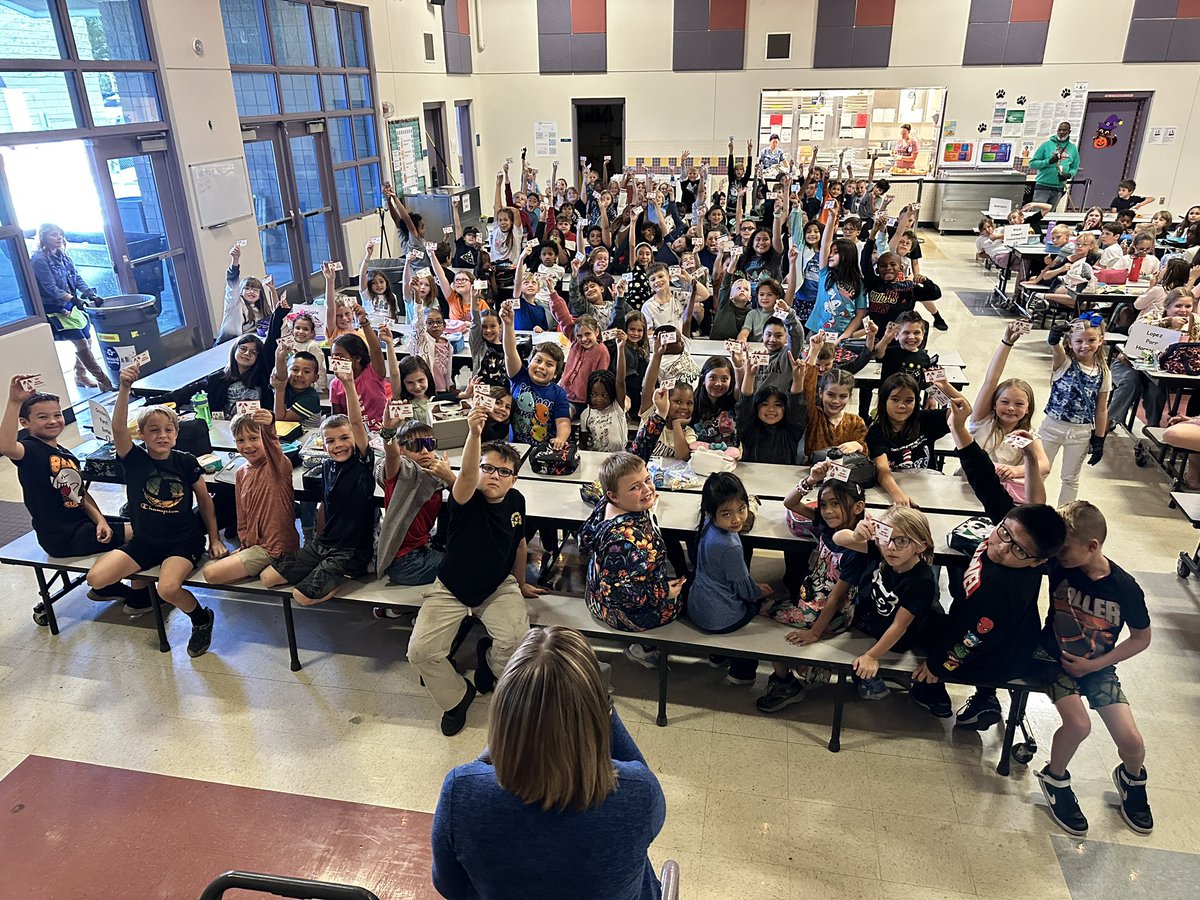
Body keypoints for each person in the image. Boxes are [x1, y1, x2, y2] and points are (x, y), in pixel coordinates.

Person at [431, 626, 665, 900]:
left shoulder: (460, 792)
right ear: (594, 713)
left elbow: (449, 886)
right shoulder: (639, 793)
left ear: (502, 713)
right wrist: (605, 709)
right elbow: (642, 783)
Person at [911, 397, 1063, 725]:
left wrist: (938, 666)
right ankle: (982, 697)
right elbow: (984, 477)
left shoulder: (1003, 587)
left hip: (993, 656)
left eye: (1018, 551)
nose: (1002, 547)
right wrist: (958, 428)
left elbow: (972, 638)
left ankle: (950, 691)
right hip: (997, 637)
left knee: (920, 623)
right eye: (1003, 532)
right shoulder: (1014, 527)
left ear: (1037, 563)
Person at [407, 406, 543, 736]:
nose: (494, 475)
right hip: (451, 587)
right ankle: (457, 697)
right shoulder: (466, 497)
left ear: (514, 479)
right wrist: (474, 433)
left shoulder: (516, 501)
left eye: (504, 472)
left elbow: (519, 544)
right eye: (488, 468)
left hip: (497, 585)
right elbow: (466, 477)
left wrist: (521, 583)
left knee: (516, 642)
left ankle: (489, 662)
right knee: (421, 652)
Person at [85, 362, 226, 657]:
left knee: (168, 588)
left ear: (176, 433)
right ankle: (139, 593)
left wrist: (214, 539)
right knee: (96, 579)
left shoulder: (185, 461)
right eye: (153, 430)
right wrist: (124, 387)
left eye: (168, 430)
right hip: (145, 541)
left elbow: (205, 501)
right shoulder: (134, 459)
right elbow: (118, 428)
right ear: (142, 435)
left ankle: (201, 619)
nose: (162, 435)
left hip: (182, 542)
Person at [1033, 501, 1153, 837]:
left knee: (1131, 741)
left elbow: (1141, 638)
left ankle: (1131, 779)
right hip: (1053, 660)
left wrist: (1096, 665)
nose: (1058, 555)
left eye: (1065, 549)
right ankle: (1055, 778)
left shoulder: (1125, 588)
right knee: (1079, 724)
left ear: (1092, 546)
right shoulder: (1060, 565)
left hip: (1098, 667)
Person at [0, 375, 146, 615]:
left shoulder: (62, 452)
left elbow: (81, 493)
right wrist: (14, 401)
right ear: (24, 422)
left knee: (141, 522)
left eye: (57, 415)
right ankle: (140, 597)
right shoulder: (30, 451)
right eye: (42, 417)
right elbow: (6, 446)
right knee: (143, 533)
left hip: (83, 525)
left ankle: (107, 586)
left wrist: (100, 520)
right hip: (63, 537)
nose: (53, 421)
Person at [258, 368, 375, 607]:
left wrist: (348, 384)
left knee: (301, 596)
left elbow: (355, 421)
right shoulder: (328, 466)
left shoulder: (361, 462)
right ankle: (325, 573)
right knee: (267, 578)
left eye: (345, 438)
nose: (338, 445)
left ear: (355, 438)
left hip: (351, 550)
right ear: (323, 445)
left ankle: (353, 574)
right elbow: (326, 506)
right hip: (324, 544)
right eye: (331, 441)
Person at [759, 473, 868, 711]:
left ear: (858, 507)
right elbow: (790, 503)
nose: (827, 511)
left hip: (827, 615)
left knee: (757, 611)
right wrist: (810, 480)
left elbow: (836, 597)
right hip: (813, 600)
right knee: (765, 603)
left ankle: (785, 681)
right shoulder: (829, 525)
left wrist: (815, 633)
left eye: (835, 504)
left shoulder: (856, 550)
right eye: (824, 504)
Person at [578, 442, 686, 663]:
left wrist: (661, 417)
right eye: (635, 488)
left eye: (647, 480)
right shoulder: (622, 542)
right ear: (614, 495)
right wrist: (663, 591)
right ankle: (644, 649)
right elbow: (618, 593)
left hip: (599, 588)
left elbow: (639, 452)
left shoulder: (608, 502)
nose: (647, 490)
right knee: (687, 600)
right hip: (618, 610)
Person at [838, 505, 939, 700]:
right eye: (886, 538)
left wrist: (872, 656)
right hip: (874, 620)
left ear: (920, 546)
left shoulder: (922, 581)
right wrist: (856, 536)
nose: (891, 547)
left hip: (896, 640)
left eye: (902, 541)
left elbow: (899, 627)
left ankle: (876, 680)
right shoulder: (884, 550)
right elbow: (838, 539)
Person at [687, 472, 771, 686]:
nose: (737, 519)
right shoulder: (729, 546)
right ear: (712, 512)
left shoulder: (707, 522)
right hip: (720, 618)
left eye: (741, 509)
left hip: (697, 606)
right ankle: (742, 672)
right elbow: (744, 588)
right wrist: (758, 591)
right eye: (727, 514)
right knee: (762, 608)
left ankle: (718, 656)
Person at [201, 409, 299, 587]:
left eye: (254, 438)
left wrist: (268, 427)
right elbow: (242, 514)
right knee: (212, 565)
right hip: (255, 546)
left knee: (210, 573)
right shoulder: (241, 472)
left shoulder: (278, 466)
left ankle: (275, 566)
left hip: (277, 548)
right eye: (240, 440)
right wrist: (245, 544)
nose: (247, 446)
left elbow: (273, 445)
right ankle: (264, 569)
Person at [967, 322, 1050, 502]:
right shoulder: (982, 421)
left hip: (1002, 496)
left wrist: (1015, 470)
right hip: (969, 488)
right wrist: (1007, 342)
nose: (1011, 408)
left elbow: (1044, 465)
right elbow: (991, 380)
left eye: (1019, 404)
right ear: (994, 404)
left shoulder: (1027, 435)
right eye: (1005, 402)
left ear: (1028, 409)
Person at [29, 223, 113, 390]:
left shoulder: (63, 255)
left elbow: (76, 277)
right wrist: (73, 299)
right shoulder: (39, 260)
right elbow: (50, 288)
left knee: (88, 339)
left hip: (70, 304)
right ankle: (104, 381)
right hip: (54, 308)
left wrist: (90, 294)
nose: (59, 237)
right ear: (44, 237)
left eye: (60, 234)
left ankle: (79, 374)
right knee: (81, 343)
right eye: (54, 235)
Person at [374, 416, 455, 590]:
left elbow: (466, 499)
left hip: (422, 547)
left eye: (429, 444)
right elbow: (391, 455)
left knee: (450, 508)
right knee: (468, 564)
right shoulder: (402, 472)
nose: (424, 450)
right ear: (401, 450)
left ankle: (439, 544)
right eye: (415, 445)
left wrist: (449, 477)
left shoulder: (435, 472)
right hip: (405, 562)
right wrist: (388, 432)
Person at [1039, 316, 1110, 506]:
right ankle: (1032, 510)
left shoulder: (1104, 372)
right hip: (1052, 427)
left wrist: (1099, 439)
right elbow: (1055, 348)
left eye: (1091, 340)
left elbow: (1101, 409)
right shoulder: (1064, 362)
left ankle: (1065, 515)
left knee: (1070, 478)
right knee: (1039, 472)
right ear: (1070, 342)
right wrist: (1054, 339)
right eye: (1079, 341)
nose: (1085, 346)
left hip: (1081, 432)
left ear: (1101, 340)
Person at [867, 373, 958, 507]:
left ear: (916, 402)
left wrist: (944, 387)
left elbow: (963, 410)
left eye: (909, 401)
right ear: (884, 400)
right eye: (895, 399)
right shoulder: (876, 432)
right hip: (895, 487)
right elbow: (882, 469)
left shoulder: (925, 419)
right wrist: (897, 494)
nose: (902, 405)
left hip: (928, 486)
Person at [501, 302, 571, 448]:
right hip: (516, 447)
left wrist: (560, 438)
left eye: (549, 364)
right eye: (538, 360)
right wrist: (508, 324)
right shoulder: (520, 377)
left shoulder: (559, 394)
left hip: (543, 450)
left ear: (556, 374)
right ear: (529, 362)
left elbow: (563, 422)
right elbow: (510, 351)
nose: (541, 366)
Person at [219, 243, 274, 342]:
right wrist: (235, 260)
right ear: (240, 291)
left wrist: (273, 290)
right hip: (230, 343)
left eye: (255, 290)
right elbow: (232, 284)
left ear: (260, 295)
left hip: (252, 341)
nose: (251, 292)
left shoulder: (261, 308)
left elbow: (276, 313)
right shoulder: (234, 303)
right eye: (247, 288)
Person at [1027, 122, 1079, 208]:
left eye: (1064, 130)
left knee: (1051, 213)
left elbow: (1074, 167)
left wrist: (1069, 175)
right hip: (1043, 186)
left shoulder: (1073, 148)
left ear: (1069, 132)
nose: (1061, 132)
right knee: (1037, 213)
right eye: (1059, 130)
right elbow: (1032, 164)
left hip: (1058, 187)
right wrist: (1048, 161)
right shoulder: (1046, 145)